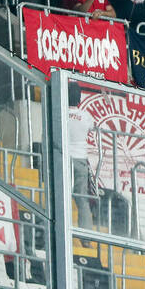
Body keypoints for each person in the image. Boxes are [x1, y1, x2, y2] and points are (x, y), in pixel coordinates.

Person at [66, 82, 97, 230]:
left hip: (63, 158)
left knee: (61, 194)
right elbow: (94, 127)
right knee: (82, 199)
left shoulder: (59, 112)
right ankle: (86, 235)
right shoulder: (85, 116)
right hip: (80, 159)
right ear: (79, 99)